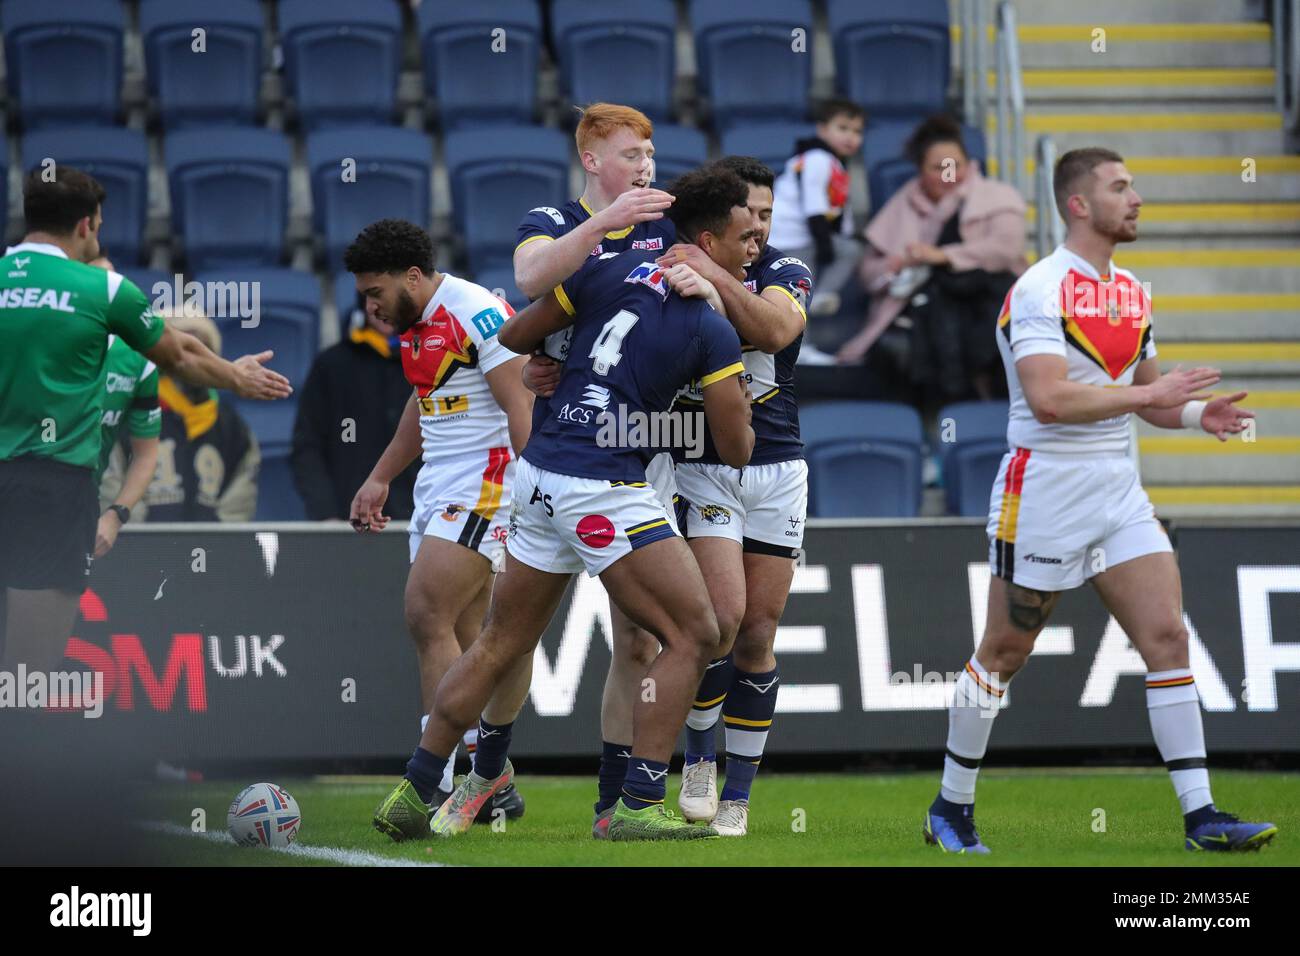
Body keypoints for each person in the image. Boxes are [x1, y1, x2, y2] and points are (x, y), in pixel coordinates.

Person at [373, 168, 755, 842]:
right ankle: (638, 803)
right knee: (697, 632)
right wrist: (710, 400)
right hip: (602, 484)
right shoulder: (710, 329)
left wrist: (547, 367)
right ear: (702, 242)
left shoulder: (600, 271)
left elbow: (518, 338)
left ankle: (416, 785)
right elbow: (736, 448)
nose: (752, 250)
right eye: (744, 236)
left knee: (499, 640)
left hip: (540, 471)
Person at [922, 147, 1275, 854]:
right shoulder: (1039, 288)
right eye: (1120, 187)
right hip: (1045, 484)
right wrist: (1153, 395)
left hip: (1117, 487)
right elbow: (1050, 401)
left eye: (1134, 185)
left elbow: (1147, 401)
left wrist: (1193, 414)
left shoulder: (1133, 292)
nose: (1136, 197)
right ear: (1078, 204)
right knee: (1004, 649)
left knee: (1169, 638)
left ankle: (1201, 816)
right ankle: (950, 807)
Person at [0, 167, 290, 672]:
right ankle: (20, 744)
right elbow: (179, 354)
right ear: (88, 225)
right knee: (29, 670)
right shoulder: (104, 289)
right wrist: (236, 376)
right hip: (53, 487)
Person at [512, 102, 683, 837]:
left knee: (640, 639)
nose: (643, 165)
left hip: (641, 451)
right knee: (511, 636)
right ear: (592, 160)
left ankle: (613, 804)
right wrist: (604, 224)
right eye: (628, 154)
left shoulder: (668, 227)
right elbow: (528, 283)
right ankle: (483, 773)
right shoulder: (553, 216)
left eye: (648, 152)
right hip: (564, 456)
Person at [345, 219, 535, 829]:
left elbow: (520, 402)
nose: (370, 306)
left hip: (488, 481)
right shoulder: (416, 327)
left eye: (376, 292)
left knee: (426, 612)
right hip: (440, 486)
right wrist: (380, 476)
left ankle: (436, 782)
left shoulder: (475, 311)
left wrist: (534, 491)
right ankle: (492, 778)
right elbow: (425, 401)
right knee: (467, 632)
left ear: (413, 276)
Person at [650, 156, 813, 836]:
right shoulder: (663, 269)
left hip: (778, 468)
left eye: (769, 216)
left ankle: (739, 797)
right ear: (719, 221)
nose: (762, 229)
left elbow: (775, 331)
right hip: (703, 467)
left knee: (759, 632)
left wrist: (712, 274)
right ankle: (697, 759)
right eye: (751, 217)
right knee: (721, 618)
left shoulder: (785, 272)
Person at [837, 114, 1028, 408]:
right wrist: (897, 265)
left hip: (986, 300)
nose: (949, 176)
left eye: (955, 166)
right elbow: (869, 274)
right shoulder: (904, 201)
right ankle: (938, 430)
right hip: (921, 306)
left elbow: (1005, 249)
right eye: (938, 168)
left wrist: (943, 256)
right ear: (919, 170)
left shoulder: (998, 196)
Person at [290, 292, 418, 521]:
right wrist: (325, 514)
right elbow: (307, 446)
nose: (385, 307)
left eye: (393, 296)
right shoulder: (331, 366)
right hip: (347, 521)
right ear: (363, 304)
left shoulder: (430, 364)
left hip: (423, 520)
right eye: (375, 298)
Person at [124, 314, 261, 522]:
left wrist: (217, 545)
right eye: (186, 350)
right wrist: (144, 543)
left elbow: (238, 501)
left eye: (204, 350)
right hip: (144, 550)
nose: (195, 362)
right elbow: (113, 487)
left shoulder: (232, 427)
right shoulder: (130, 416)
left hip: (214, 551)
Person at [86, 254, 160, 555]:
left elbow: (146, 454)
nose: (111, 293)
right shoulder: (40, 343)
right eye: (99, 284)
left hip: (81, 502)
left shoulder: (138, 361)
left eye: (115, 283)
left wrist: (116, 515)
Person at [769, 99, 864, 316]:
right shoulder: (818, 158)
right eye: (842, 128)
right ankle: (820, 302)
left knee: (799, 294)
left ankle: (819, 303)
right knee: (796, 296)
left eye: (857, 131)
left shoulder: (832, 162)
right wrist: (825, 243)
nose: (851, 136)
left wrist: (843, 234)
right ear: (822, 129)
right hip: (788, 237)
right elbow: (814, 206)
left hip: (803, 236)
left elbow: (836, 206)